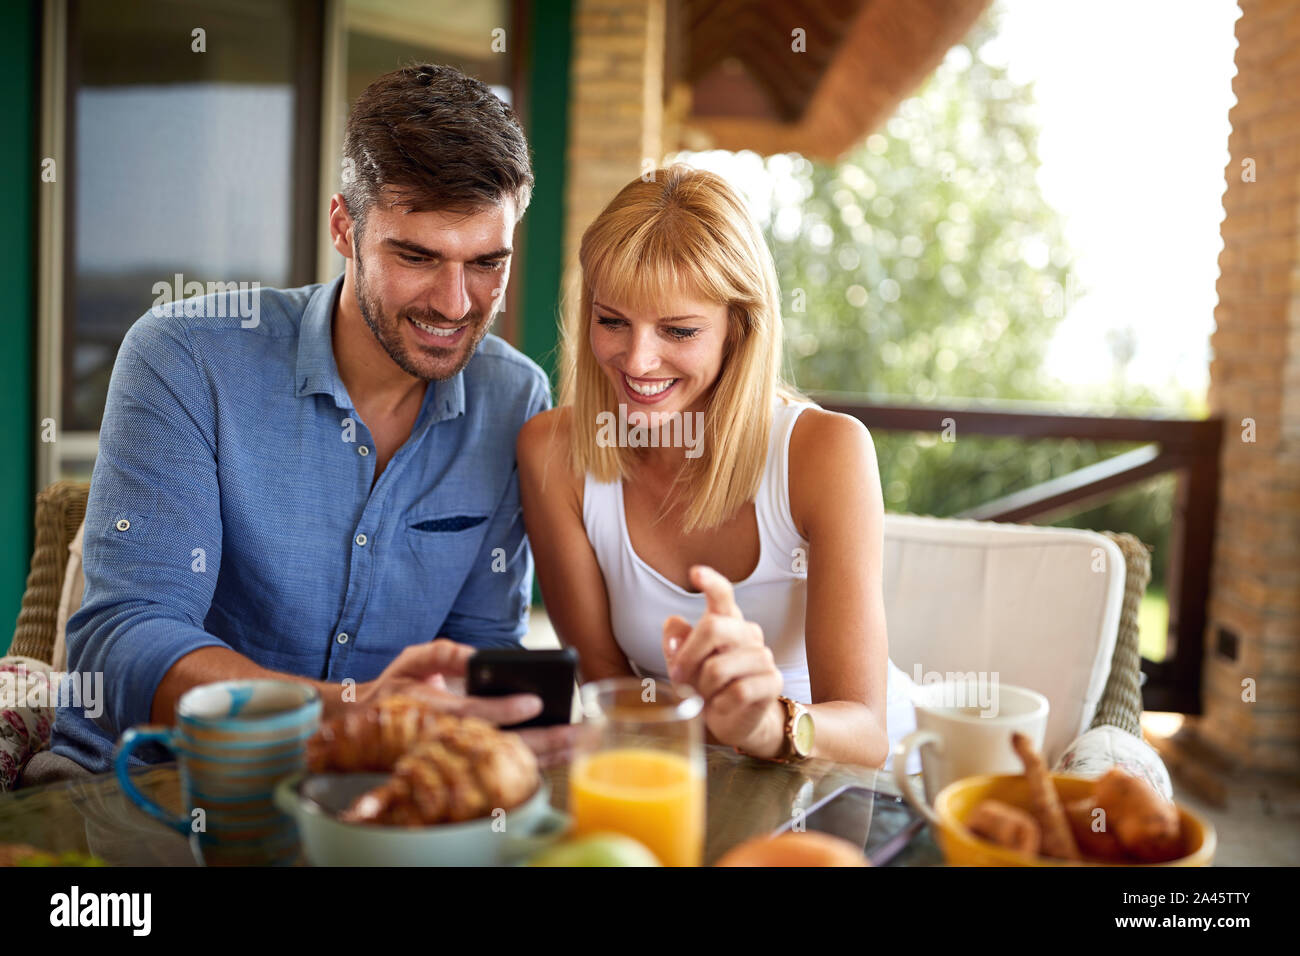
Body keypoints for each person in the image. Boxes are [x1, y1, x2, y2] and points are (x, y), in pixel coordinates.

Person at [46, 64, 569, 779]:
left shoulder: (514, 400)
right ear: (342, 227)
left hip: (366, 805)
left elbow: (475, 656)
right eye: (416, 256)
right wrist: (360, 716)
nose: (455, 303)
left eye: (486, 263)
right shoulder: (187, 357)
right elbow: (124, 641)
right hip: (148, 789)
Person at [518, 166, 916, 768]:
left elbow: (865, 735)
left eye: (678, 329)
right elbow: (604, 685)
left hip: (846, 783)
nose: (637, 360)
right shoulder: (553, 453)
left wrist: (765, 724)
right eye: (612, 321)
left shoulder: (826, 452)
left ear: (740, 327)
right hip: (685, 771)